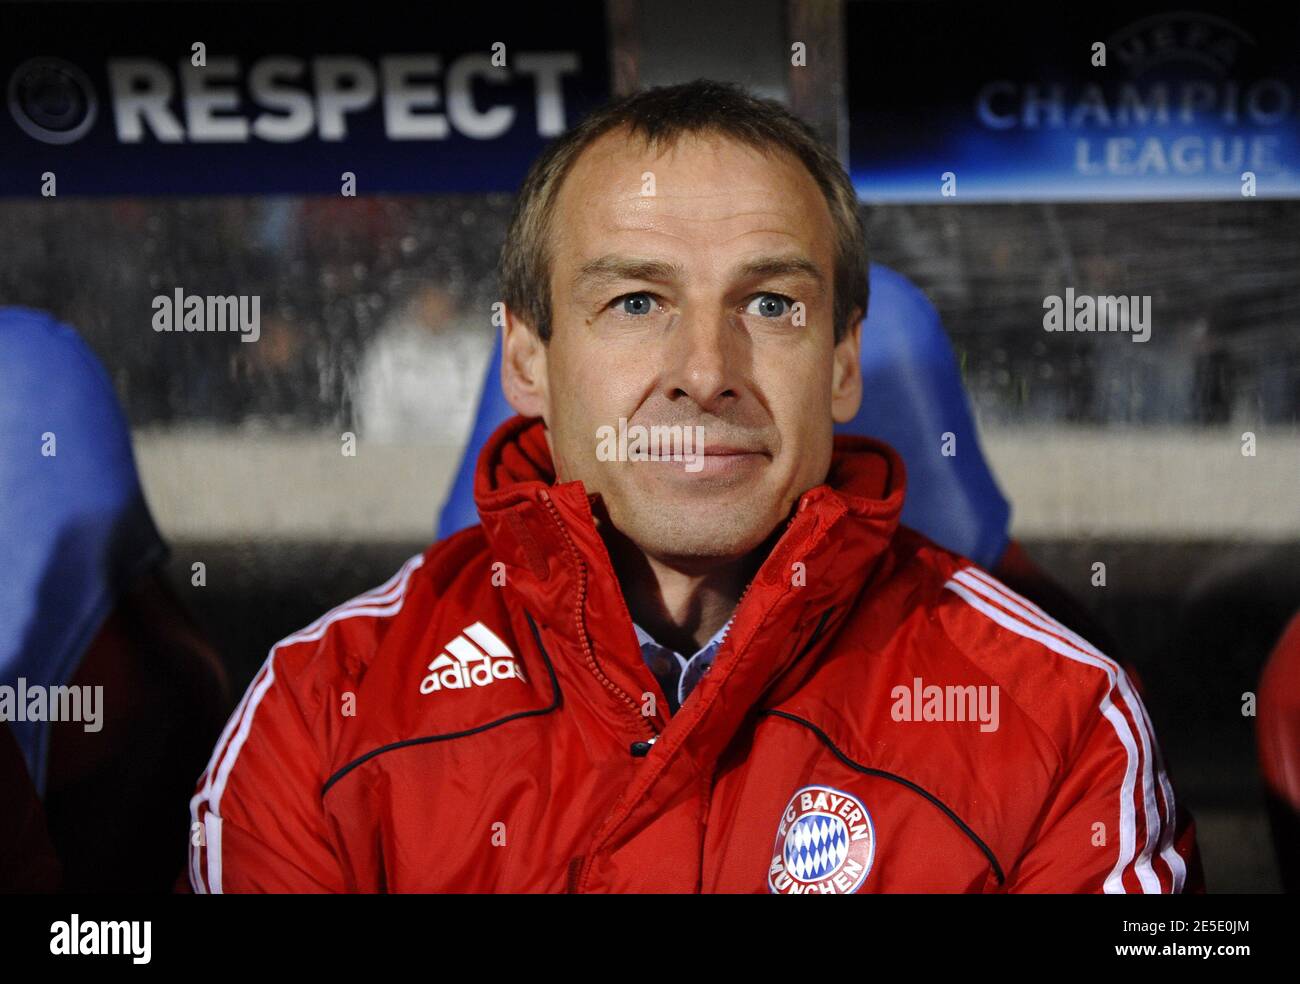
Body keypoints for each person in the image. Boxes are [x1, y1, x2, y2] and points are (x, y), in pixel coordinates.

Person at [188, 80, 1201, 894]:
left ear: (842, 364)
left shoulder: (1060, 722)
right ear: (526, 359)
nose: (705, 368)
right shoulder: (320, 717)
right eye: (635, 300)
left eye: (769, 303)